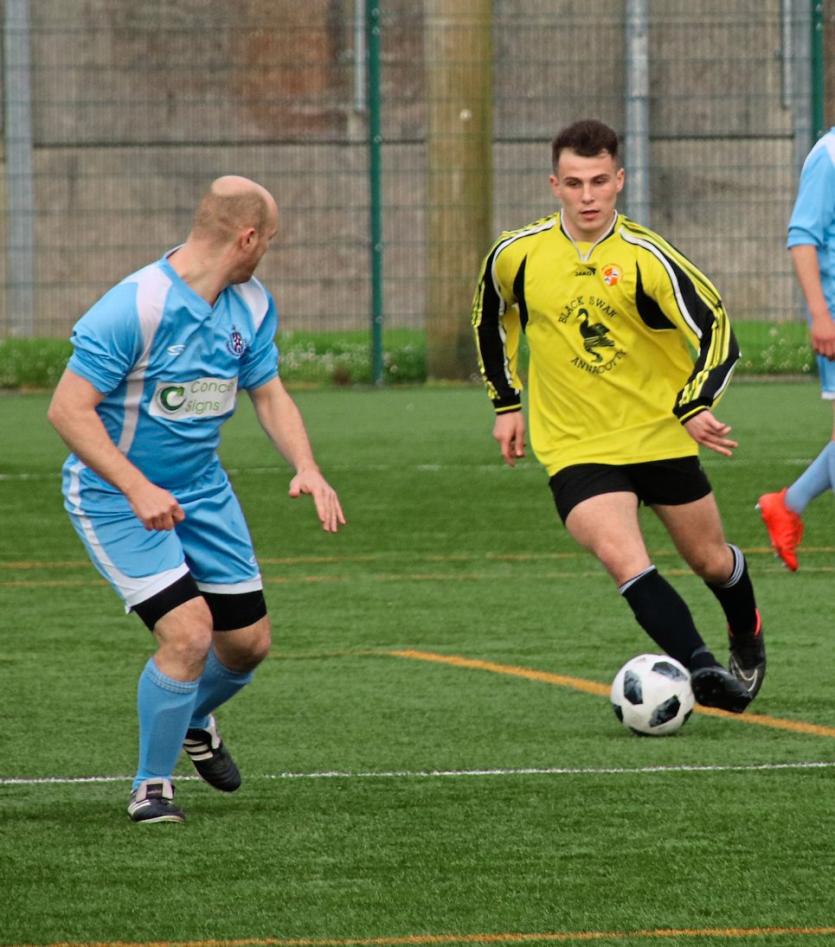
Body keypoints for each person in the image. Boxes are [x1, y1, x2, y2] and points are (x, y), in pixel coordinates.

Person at [47, 175, 346, 824]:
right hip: (113, 496)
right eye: (268, 239)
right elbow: (67, 410)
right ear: (246, 237)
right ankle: (150, 787)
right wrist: (136, 485)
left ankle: (192, 716)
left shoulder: (253, 304)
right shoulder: (137, 306)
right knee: (188, 634)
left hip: (203, 491)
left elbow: (266, 391)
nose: (269, 249)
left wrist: (307, 465)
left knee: (247, 646)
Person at [472, 119, 763, 713]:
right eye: (574, 183)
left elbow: (716, 328)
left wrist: (694, 403)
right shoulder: (516, 254)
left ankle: (745, 633)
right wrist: (507, 402)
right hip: (576, 445)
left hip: (658, 435)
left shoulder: (646, 256)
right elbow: (489, 318)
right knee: (623, 558)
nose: (587, 196)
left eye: (599, 181)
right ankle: (702, 669)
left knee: (710, 559)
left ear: (619, 181)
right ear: (554, 183)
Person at [757, 128, 835, 572]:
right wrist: (821, 316)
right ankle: (787, 503)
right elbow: (802, 237)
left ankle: (787, 504)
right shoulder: (830, 156)